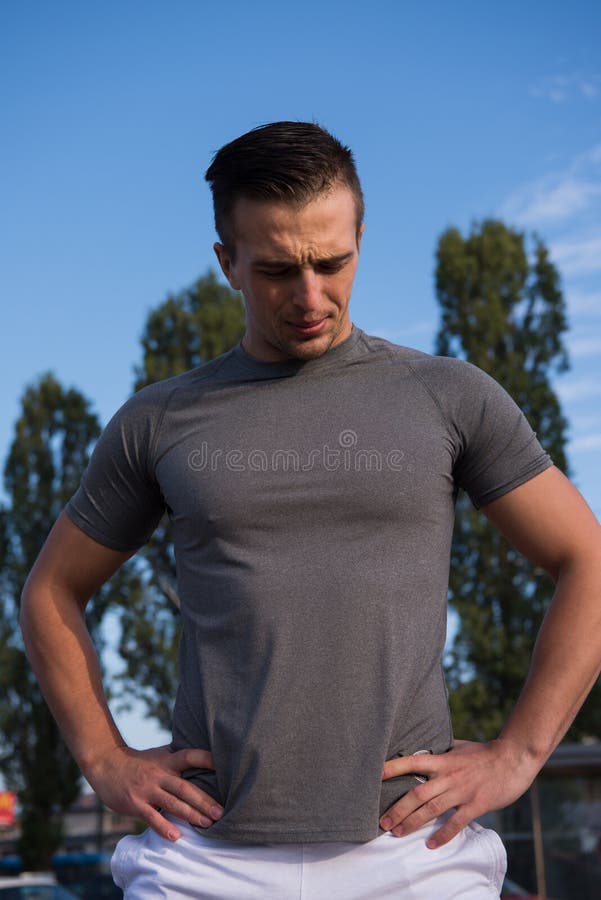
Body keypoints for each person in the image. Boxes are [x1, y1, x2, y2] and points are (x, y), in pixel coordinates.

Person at [20, 121, 601, 899]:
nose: (309, 297)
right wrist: (102, 757)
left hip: (413, 851)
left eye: (333, 262)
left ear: (360, 236)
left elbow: (586, 558)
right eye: (275, 270)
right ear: (226, 261)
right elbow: (50, 590)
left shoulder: (448, 397)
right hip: (205, 859)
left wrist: (520, 754)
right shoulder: (158, 421)